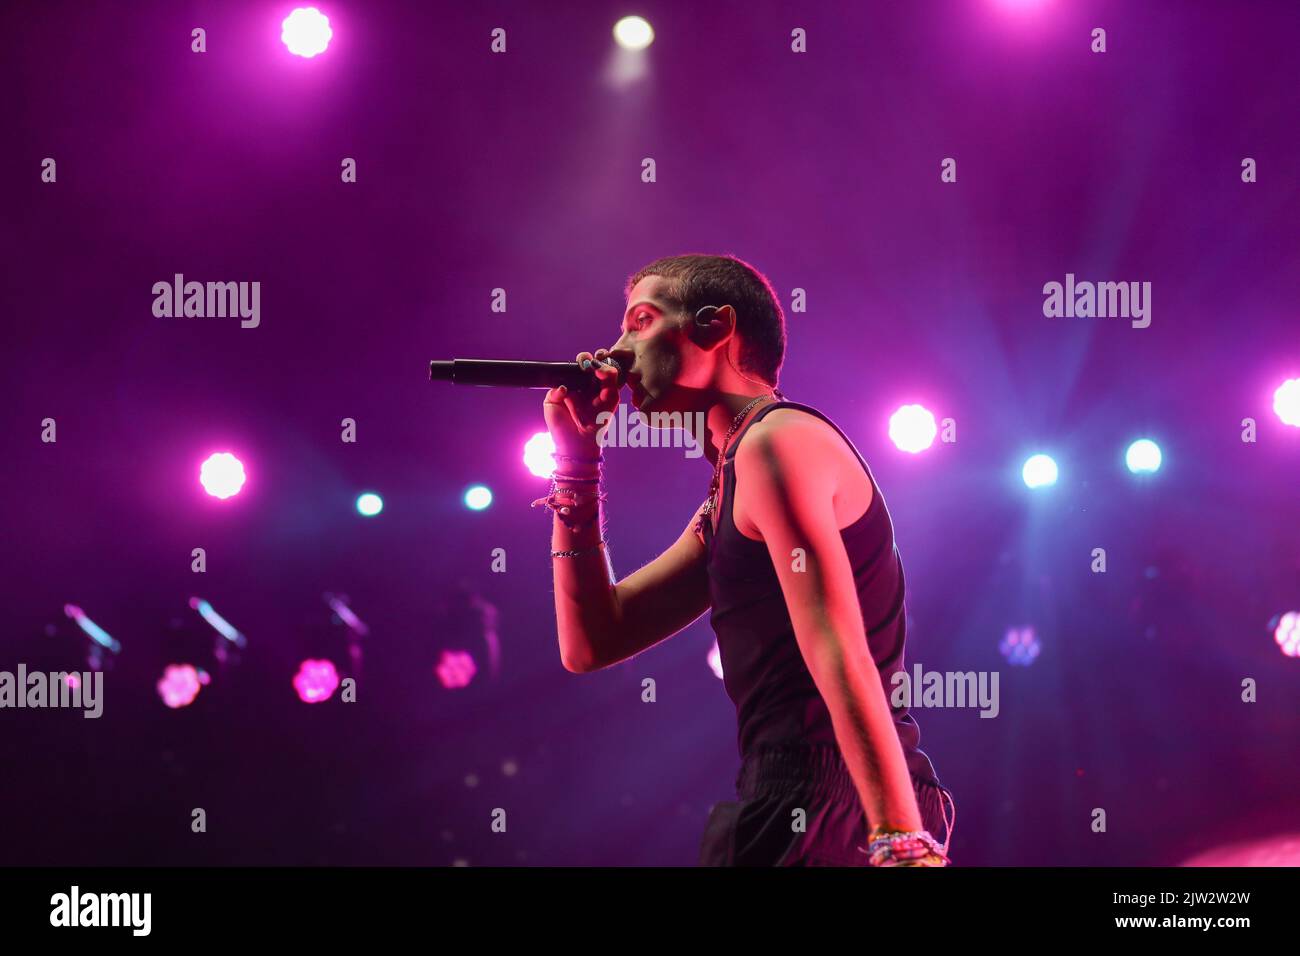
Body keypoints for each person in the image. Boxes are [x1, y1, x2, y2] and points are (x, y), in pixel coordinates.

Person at [539, 254, 953, 866]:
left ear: (715, 327)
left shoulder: (776, 440)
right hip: (799, 794)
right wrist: (576, 464)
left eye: (641, 322)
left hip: (836, 795)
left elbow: (837, 649)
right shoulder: (731, 483)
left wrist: (901, 840)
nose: (617, 351)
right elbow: (593, 641)